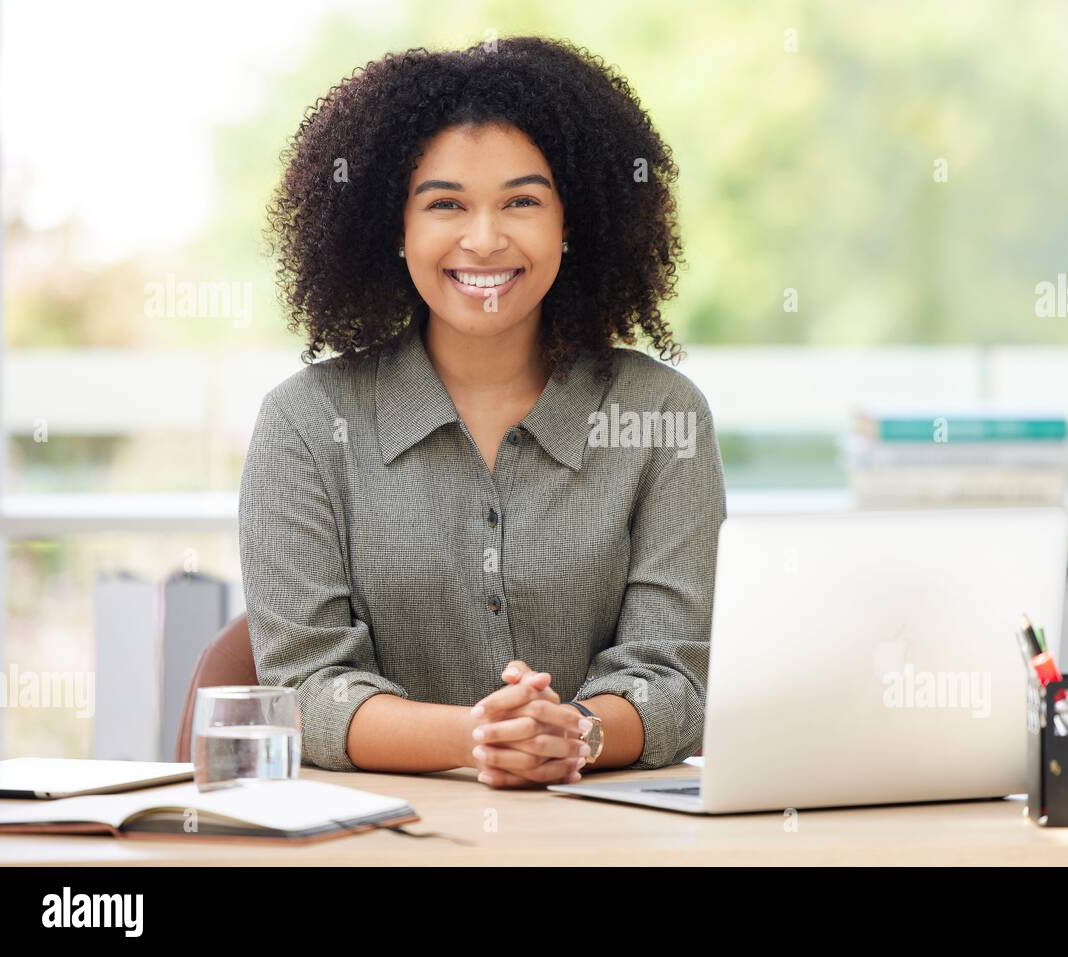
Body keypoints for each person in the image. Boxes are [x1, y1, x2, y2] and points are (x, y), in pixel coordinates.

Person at [240, 36, 726, 789]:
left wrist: (578, 734)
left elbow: (673, 679)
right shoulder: (304, 424)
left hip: (605, 842)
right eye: (445, 204)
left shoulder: (664, 416)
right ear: (393, 229)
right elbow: (307, 688)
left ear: (574, 220)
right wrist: (484, 736)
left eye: (522, 201)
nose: (485, 238)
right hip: (385, 842)